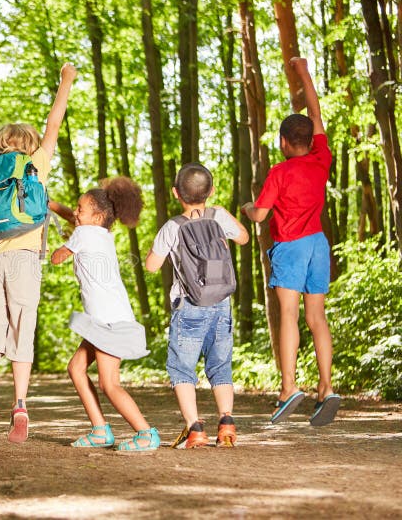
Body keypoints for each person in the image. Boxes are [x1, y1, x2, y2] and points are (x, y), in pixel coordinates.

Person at [0, 62, 77, 443]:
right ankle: (20, 405)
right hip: (26, 260)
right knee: (22, 330)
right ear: (30, 145)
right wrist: (65, 80)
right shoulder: (35, 165)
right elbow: (54, 123)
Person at [242, 57, 340, 426]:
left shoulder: (279, 172)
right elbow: (315, 113)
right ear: (311, 140)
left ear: (283, 142)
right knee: (317, 317)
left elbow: (260, 216)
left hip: (291, 246)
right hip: (318, 244)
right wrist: (304, 72)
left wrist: (247, 207)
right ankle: (326, 387)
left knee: (289, 315)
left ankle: (288, 388)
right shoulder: (321, 158)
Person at [50, 178, 159, 451]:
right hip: (103, 320)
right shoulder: (101, 233)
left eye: (81, 209)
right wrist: (50, 205)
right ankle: (100, 431)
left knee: (110, 384)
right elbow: (75, 219)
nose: (76, 212)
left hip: (109, 322)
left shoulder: (84, 234)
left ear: (97, 217)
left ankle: (146, 433)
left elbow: (56, 258)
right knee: (76, 369)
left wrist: (52, 239)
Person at [146, 163, 248, 448]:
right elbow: (243, 237)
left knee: (181, 368)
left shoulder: (172, 227)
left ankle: (195, 428)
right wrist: (224, 216)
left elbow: (152, 266)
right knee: (221, 364)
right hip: (222, 303)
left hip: (188, 305)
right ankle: (226, 423)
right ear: (211, 191)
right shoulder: (218, 216)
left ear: (175, 193)